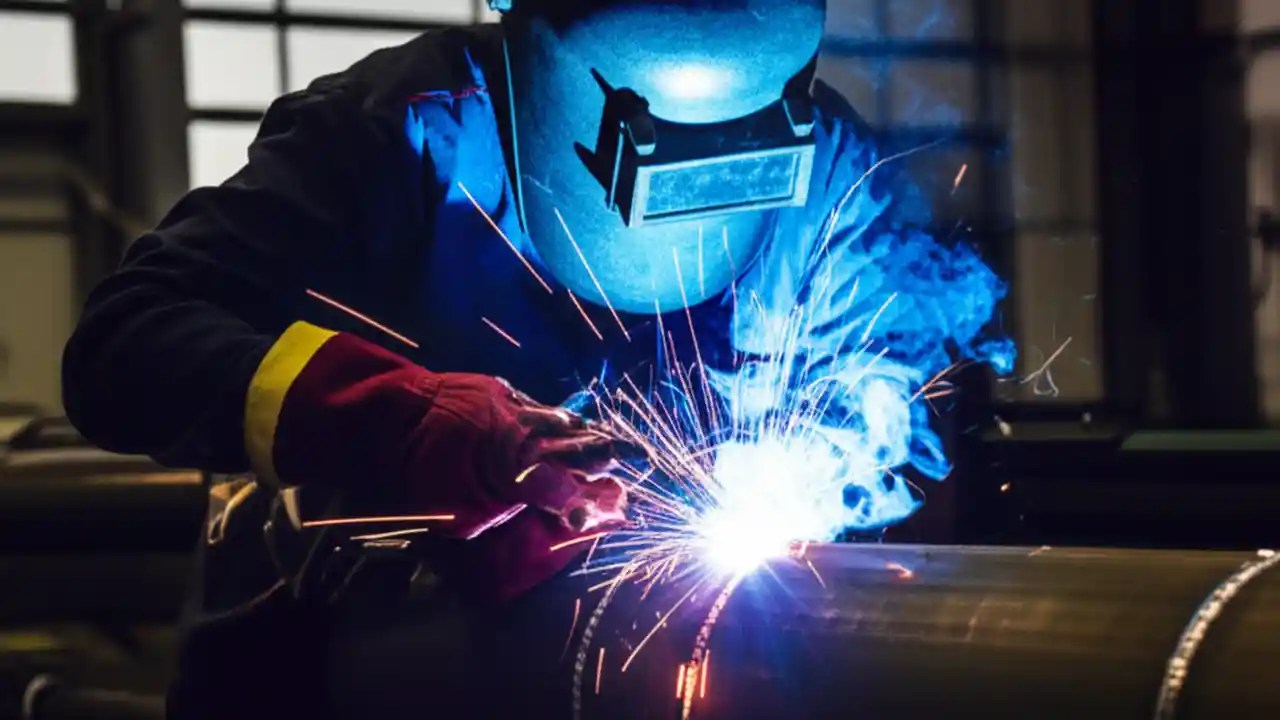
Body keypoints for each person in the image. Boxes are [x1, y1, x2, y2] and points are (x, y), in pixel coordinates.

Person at [62, 0, 1007, 717]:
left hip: (654, 669)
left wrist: (818, 477)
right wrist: (398, 419)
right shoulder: (405, 131)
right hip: (340, 656)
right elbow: (126, 343)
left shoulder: (834, 165)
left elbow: (884, 394)